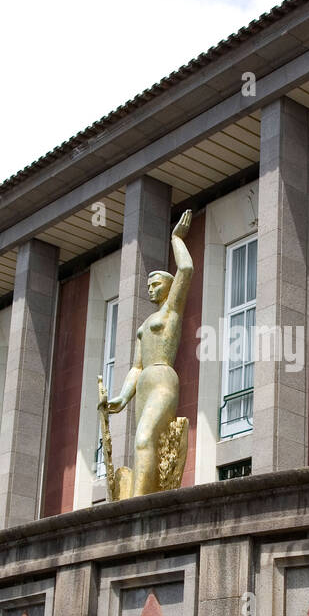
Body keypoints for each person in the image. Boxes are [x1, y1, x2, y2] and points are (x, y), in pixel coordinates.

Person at [105, 210, 193, 497]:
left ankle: (137, 508)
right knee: (142, 445)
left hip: (163, 378)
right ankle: (142, 495)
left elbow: (187, 270)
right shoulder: (144, 325)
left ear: (169, 288)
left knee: (144, 439)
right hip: (143, 384)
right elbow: (136, 367)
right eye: (148, 286)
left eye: (156, 285)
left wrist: (176, 238)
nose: (150, 290)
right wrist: (121, 397)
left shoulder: (171, 311)